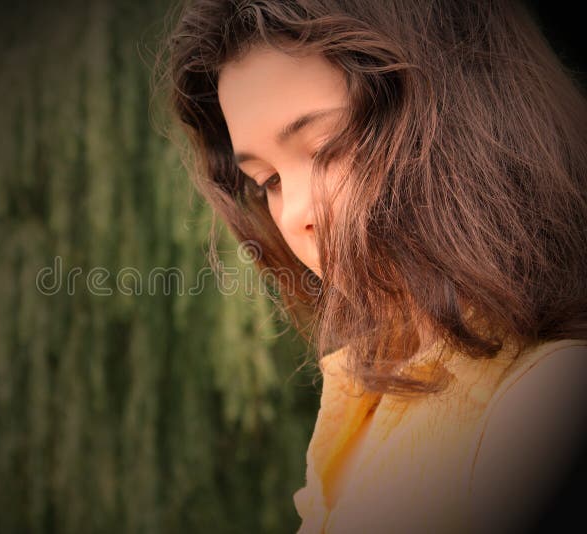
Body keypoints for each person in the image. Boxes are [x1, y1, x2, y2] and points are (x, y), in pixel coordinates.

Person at [157, 0, 587, 532]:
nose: (294, 214)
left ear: (461, 113)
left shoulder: (548, 402)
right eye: (268, 181)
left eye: (327, 147)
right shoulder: (361, 401)